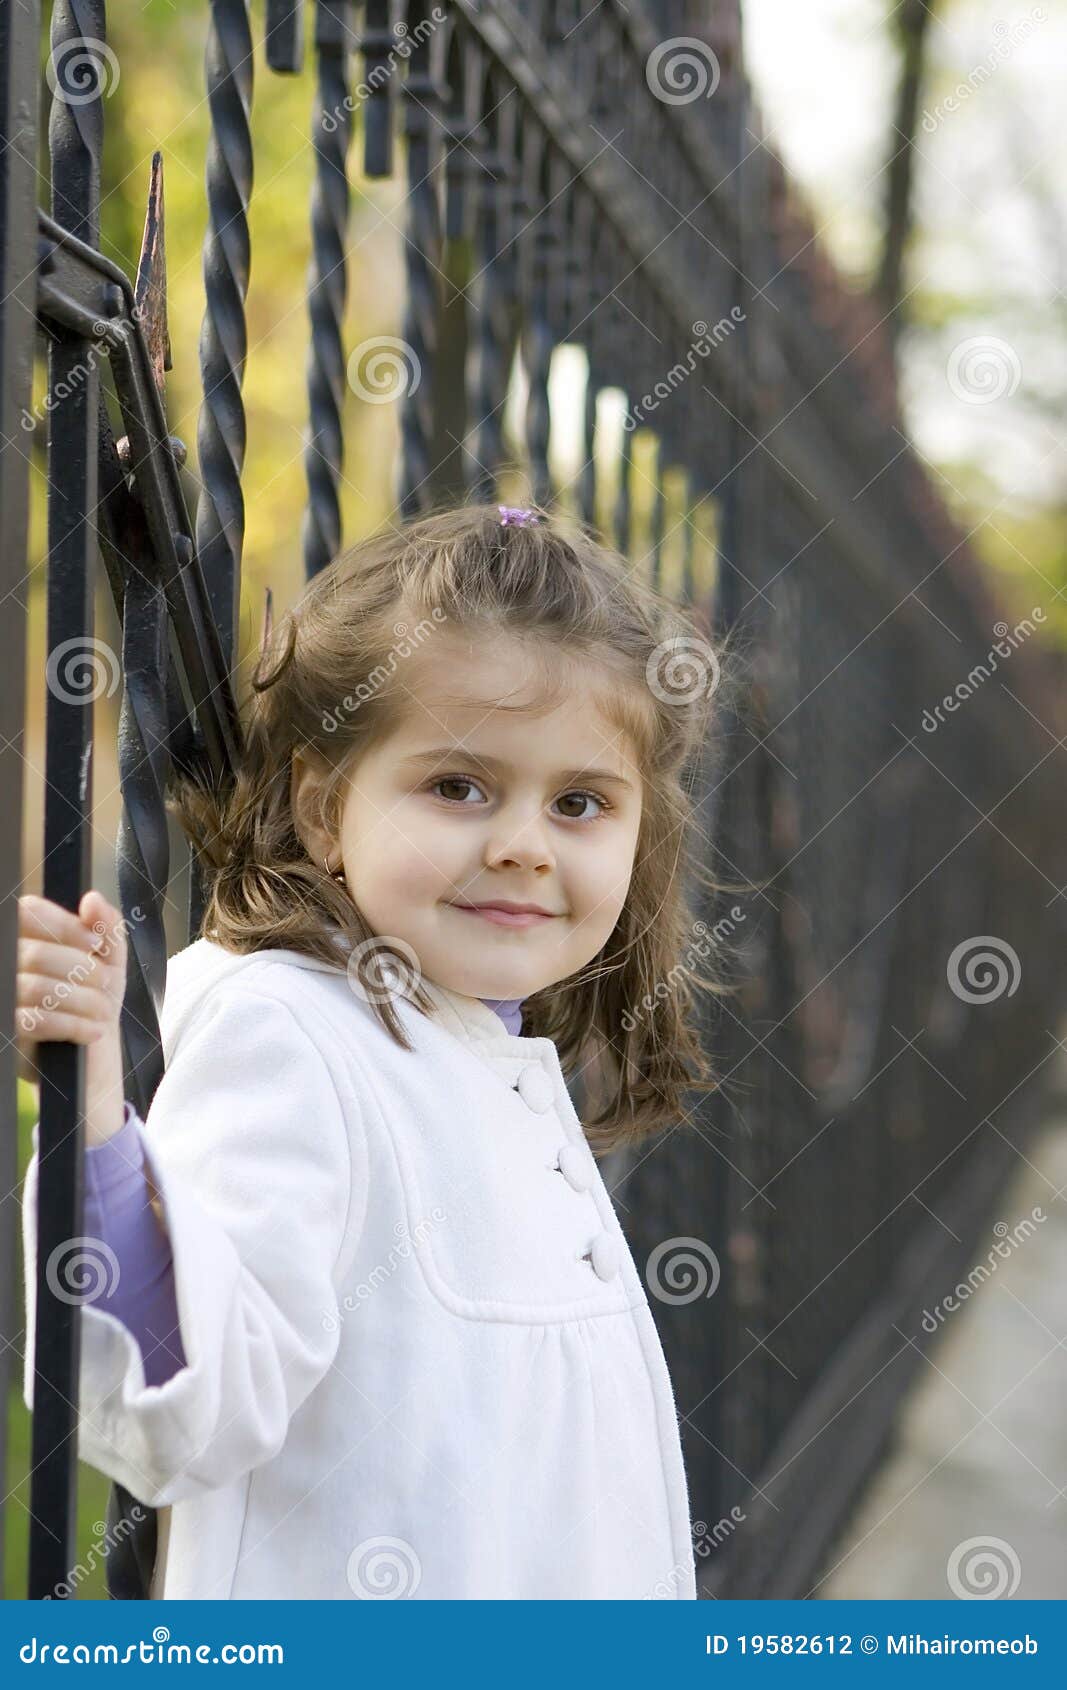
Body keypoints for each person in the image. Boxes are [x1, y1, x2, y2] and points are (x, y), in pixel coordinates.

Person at [16, 500, 734, 1600]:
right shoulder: (292, 1032)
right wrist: (96, 1122)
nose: (521, 846)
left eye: (580, 802)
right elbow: (181, 1405)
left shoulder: (488, 1052)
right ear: (321, 806)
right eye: (457, 786)